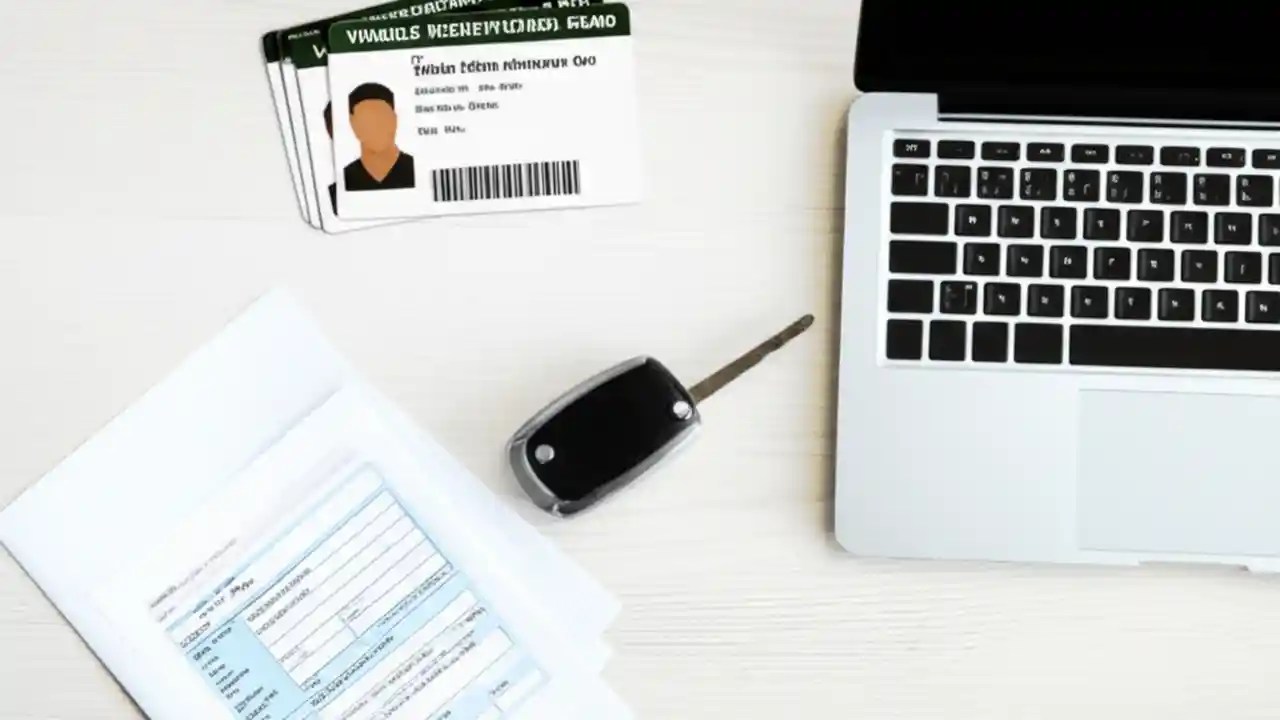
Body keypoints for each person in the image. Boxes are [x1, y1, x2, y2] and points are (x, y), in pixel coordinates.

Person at [343, 83, 415, 192]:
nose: (376, 126)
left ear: (394, 120)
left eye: (383, 118)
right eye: (367, 120)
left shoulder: (418, 171)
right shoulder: (343, 182)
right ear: (353, 124)